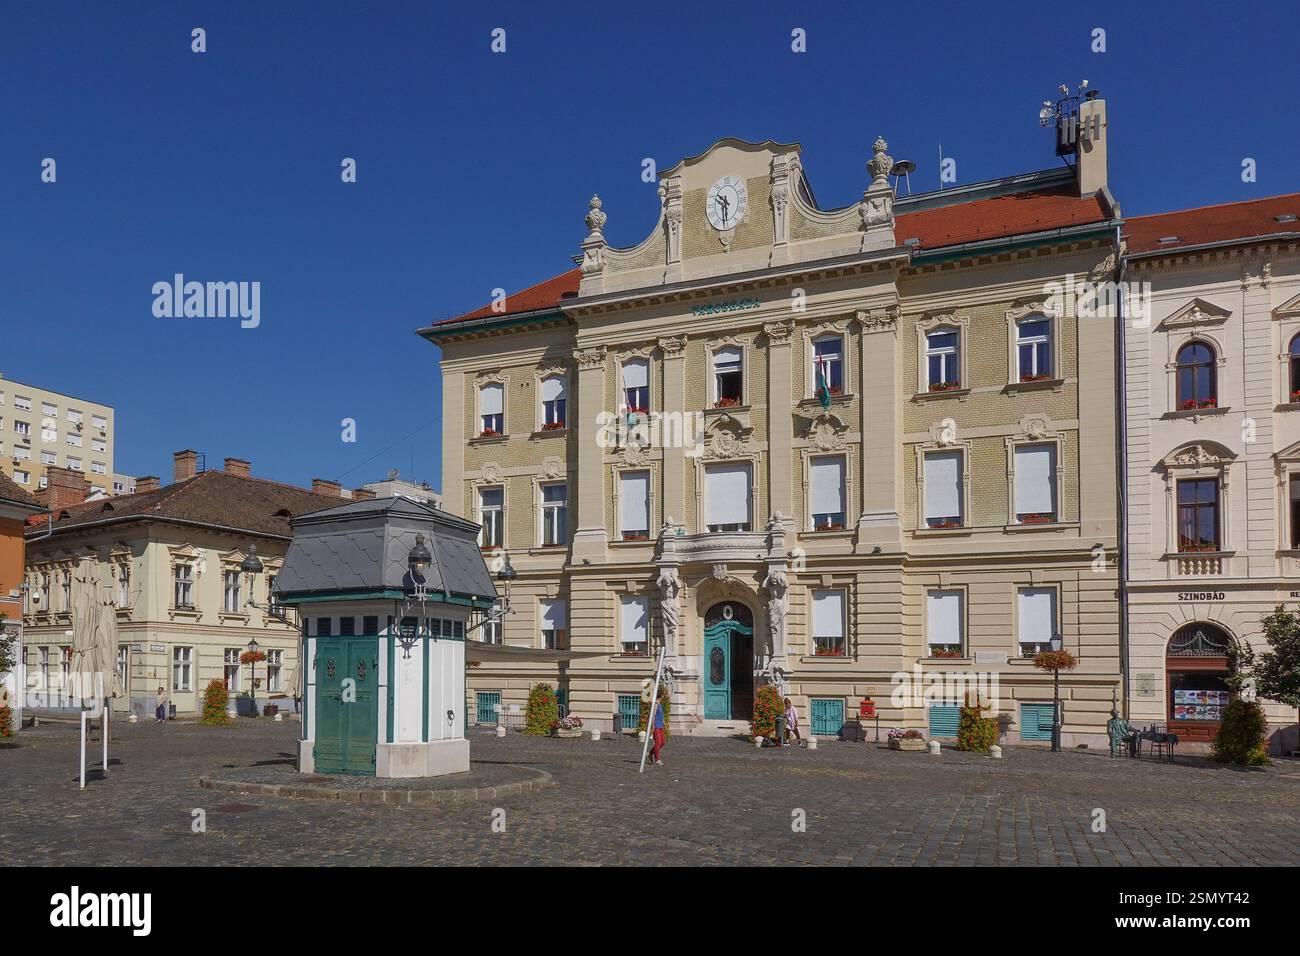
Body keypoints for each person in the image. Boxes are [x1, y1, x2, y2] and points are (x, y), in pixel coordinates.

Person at [650, 696, 666, 766]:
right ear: (661, 696)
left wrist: (664, 722)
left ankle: (651, 753)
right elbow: (653, 716)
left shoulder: (660, 704)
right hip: (656, 726)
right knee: (658, 743)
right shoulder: (655, 704)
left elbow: (661, 715)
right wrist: (653, 726)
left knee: (663, 742)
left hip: (661, 726)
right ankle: (657, 759)